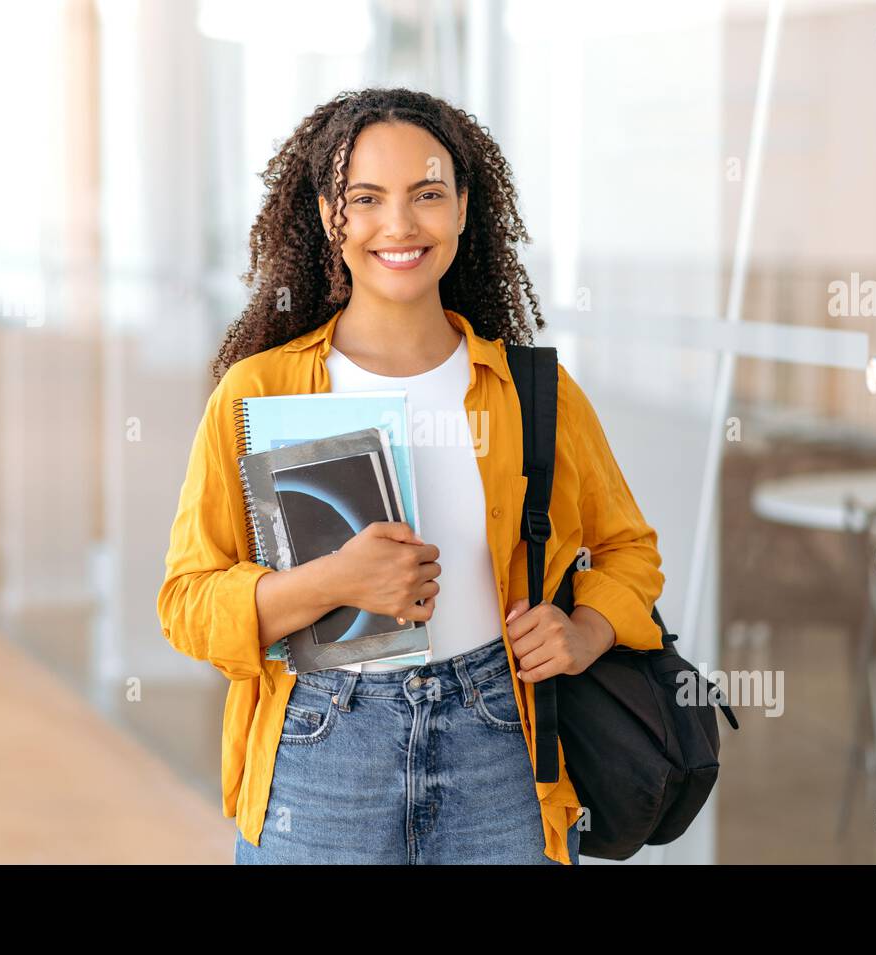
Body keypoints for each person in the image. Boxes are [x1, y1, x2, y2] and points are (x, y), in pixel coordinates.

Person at [157, 88, 666, 865]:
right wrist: (334, 580)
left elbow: (629, 550)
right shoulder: (259, 394)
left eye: (427, 194)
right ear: (332, 215)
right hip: (322, 748)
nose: (399, 225)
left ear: (464, 206)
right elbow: (186, 601)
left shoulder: (534, 392)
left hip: (500, 746)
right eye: (366, 199)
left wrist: (584, 631)